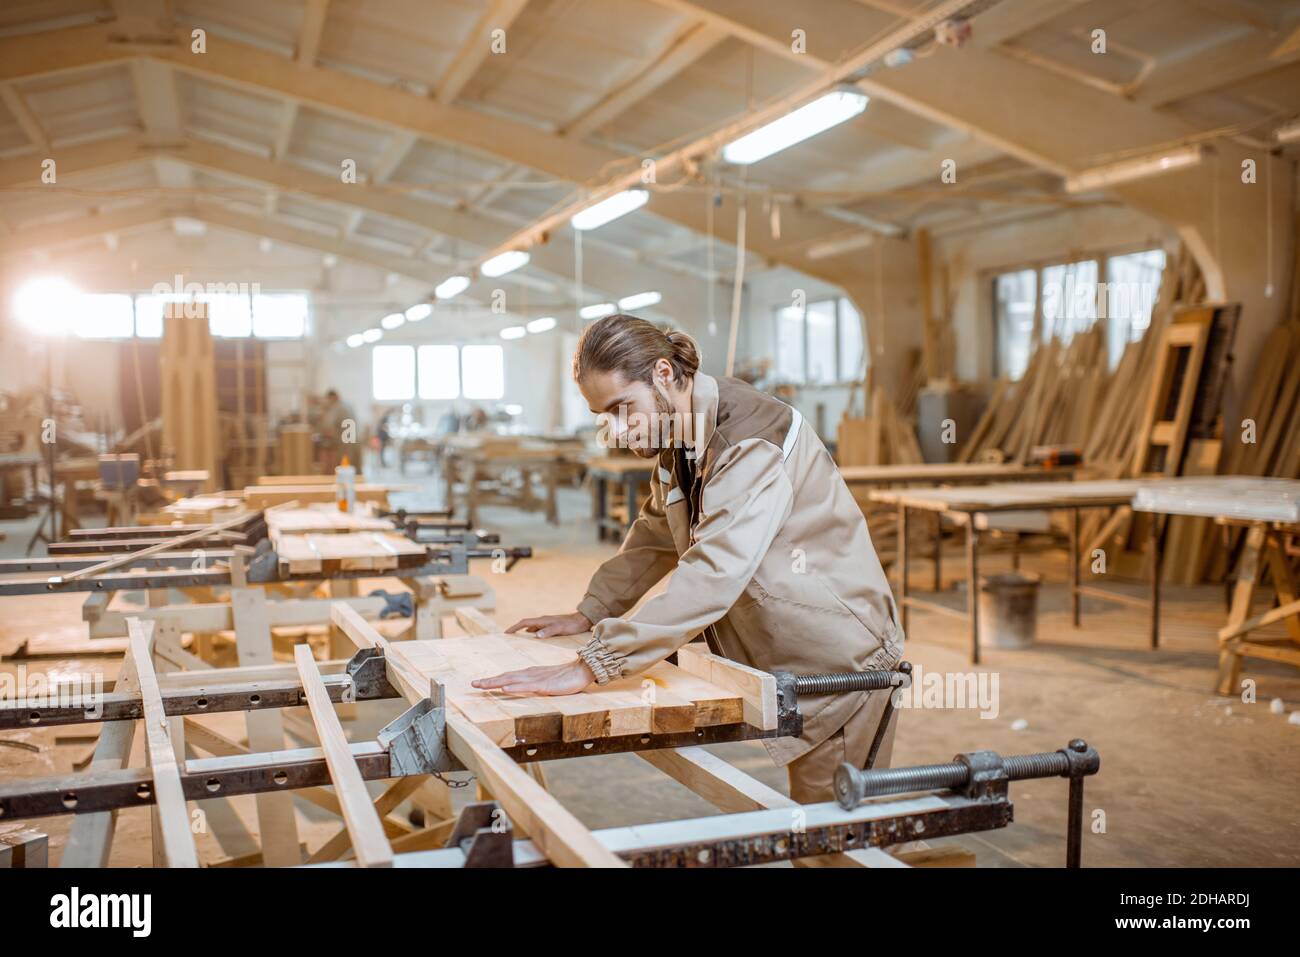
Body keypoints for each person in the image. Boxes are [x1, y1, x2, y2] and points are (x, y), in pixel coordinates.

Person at [472, 314, 904, 807]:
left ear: (661, 374)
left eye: (621, 408)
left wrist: (597, 661)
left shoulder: (749, 442)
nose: (616, 430)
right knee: (823, 828)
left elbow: (713, 574)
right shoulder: (680, 433)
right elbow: (657, 531)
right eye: (604, 417)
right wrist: (591, 610)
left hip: (840, 658)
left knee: (836, 836)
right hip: (784, 645)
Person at [315, 388, 359, 471]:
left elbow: (329, 426)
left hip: (345, 441)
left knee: (344, 465)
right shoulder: (346, 405)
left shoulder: (337, 408)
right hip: (353, 439)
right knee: (352, 465)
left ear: (333, 397)